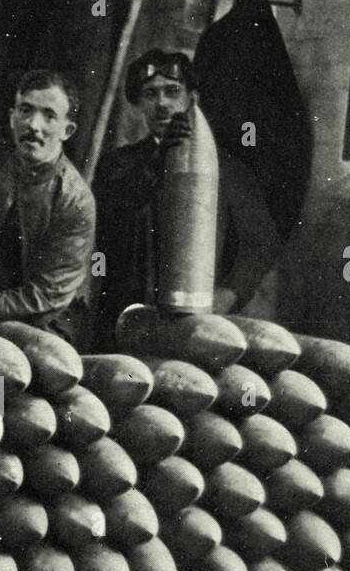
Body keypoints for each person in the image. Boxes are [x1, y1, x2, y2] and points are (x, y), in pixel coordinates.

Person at [91, 49, 282, 349]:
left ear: (191, 99)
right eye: (150, 94)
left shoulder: (227, 170)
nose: (162, 103)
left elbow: (262, 242)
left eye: (172, 91)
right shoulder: (118, 164)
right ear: (139, 104)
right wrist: (158, 159)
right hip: (126, 319)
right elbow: (112, 217)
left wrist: (230, 293)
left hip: (195, 325)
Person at [0, 69, 97, 347]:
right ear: (11, 116)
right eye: (25, 110)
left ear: (67, 130)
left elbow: (49, 293)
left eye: (48, 116)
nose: (33, 125)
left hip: (40, 321)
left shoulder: (75, 200)